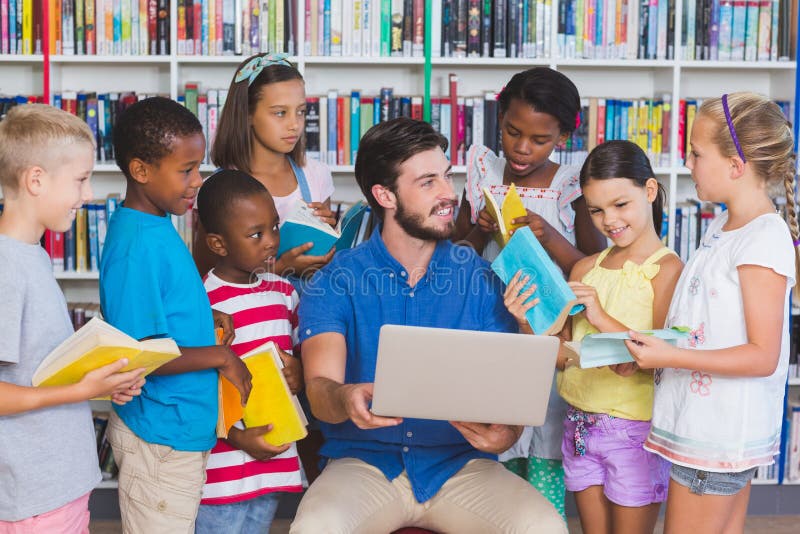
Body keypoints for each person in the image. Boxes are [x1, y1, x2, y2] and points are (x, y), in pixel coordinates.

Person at [290, 117, 567, 533]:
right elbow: (320, 388)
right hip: (365, 465)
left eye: (447, 177)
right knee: (316, 527)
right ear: (385, 194)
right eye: (427, 182)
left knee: (543, 526)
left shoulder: (481, 277)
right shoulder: (337, 279)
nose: (448, 194)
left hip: (461, 466)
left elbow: (505, 406)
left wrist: (504, 436)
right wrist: (345, 397)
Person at [626, 93, 799, 533]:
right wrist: (660, 345)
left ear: (736, 166)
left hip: (716, 439)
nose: (687, 162)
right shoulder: (722, 227)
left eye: (697, 153)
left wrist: (669, 358)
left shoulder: (761, 240)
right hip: (708, 433)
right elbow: (706, 326)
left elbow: (761, 356)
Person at [505, 140, 683, 533]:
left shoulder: (667, 269)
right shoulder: (584, 269)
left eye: (621, 205)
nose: (609, 221)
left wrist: (600, 316)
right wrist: (524, 321)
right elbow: (560, 354)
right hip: (579, 426)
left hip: (635, 431)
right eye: (596, 210)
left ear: (649, 192)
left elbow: (661, 360)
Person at [452, 66, 607, 516]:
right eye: (512, 131)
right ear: (499, 119)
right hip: (490, 328)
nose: (521, 148)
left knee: (542, 443)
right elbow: (460, 255)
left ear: (563, 135)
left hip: (548, 338)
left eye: (539, 140)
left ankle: (541, 521)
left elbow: (592, 266)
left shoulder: (570, 183)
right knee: (492, 442)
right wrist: (480, 230)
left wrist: (547, 237)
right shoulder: (482, 170)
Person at [99, 97, 252, 533]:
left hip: (178, 429)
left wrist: (205, 314)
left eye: (197, 167)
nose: (197, 181)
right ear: (141, 170)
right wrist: (222, 356)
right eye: (185, 170)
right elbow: (145, 353)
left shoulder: (156, 224)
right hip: (159, 438)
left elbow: (162, 307)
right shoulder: (136, 247)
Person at [0, 104, 145, 531]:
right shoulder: (7, 267)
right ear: (36, 180)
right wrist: (82, 390)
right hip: (33, 499)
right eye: (81, 180)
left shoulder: (32, 256)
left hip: (57, 487)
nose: (88, 195)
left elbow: (35, 367)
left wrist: (102, 377)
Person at [193, 170, 304, 533]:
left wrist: (298, 371)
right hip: (223, 467)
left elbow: (300, 354)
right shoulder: (202, 301)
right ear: (218, 243)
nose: (272, 241)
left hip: (274, 456)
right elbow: (198, 383)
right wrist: (237, 436)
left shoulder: (283, 292)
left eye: (274, 226)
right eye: (256, 234)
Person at [194, 52, 337, 282]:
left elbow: (325, 267)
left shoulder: (316, 175)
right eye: (280, 113)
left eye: (300, 111)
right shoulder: (218, 188)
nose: (294, 125)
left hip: (307, 310)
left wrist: (328, 239)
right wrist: (280, 269)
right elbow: (205, 278)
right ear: (248, 114)